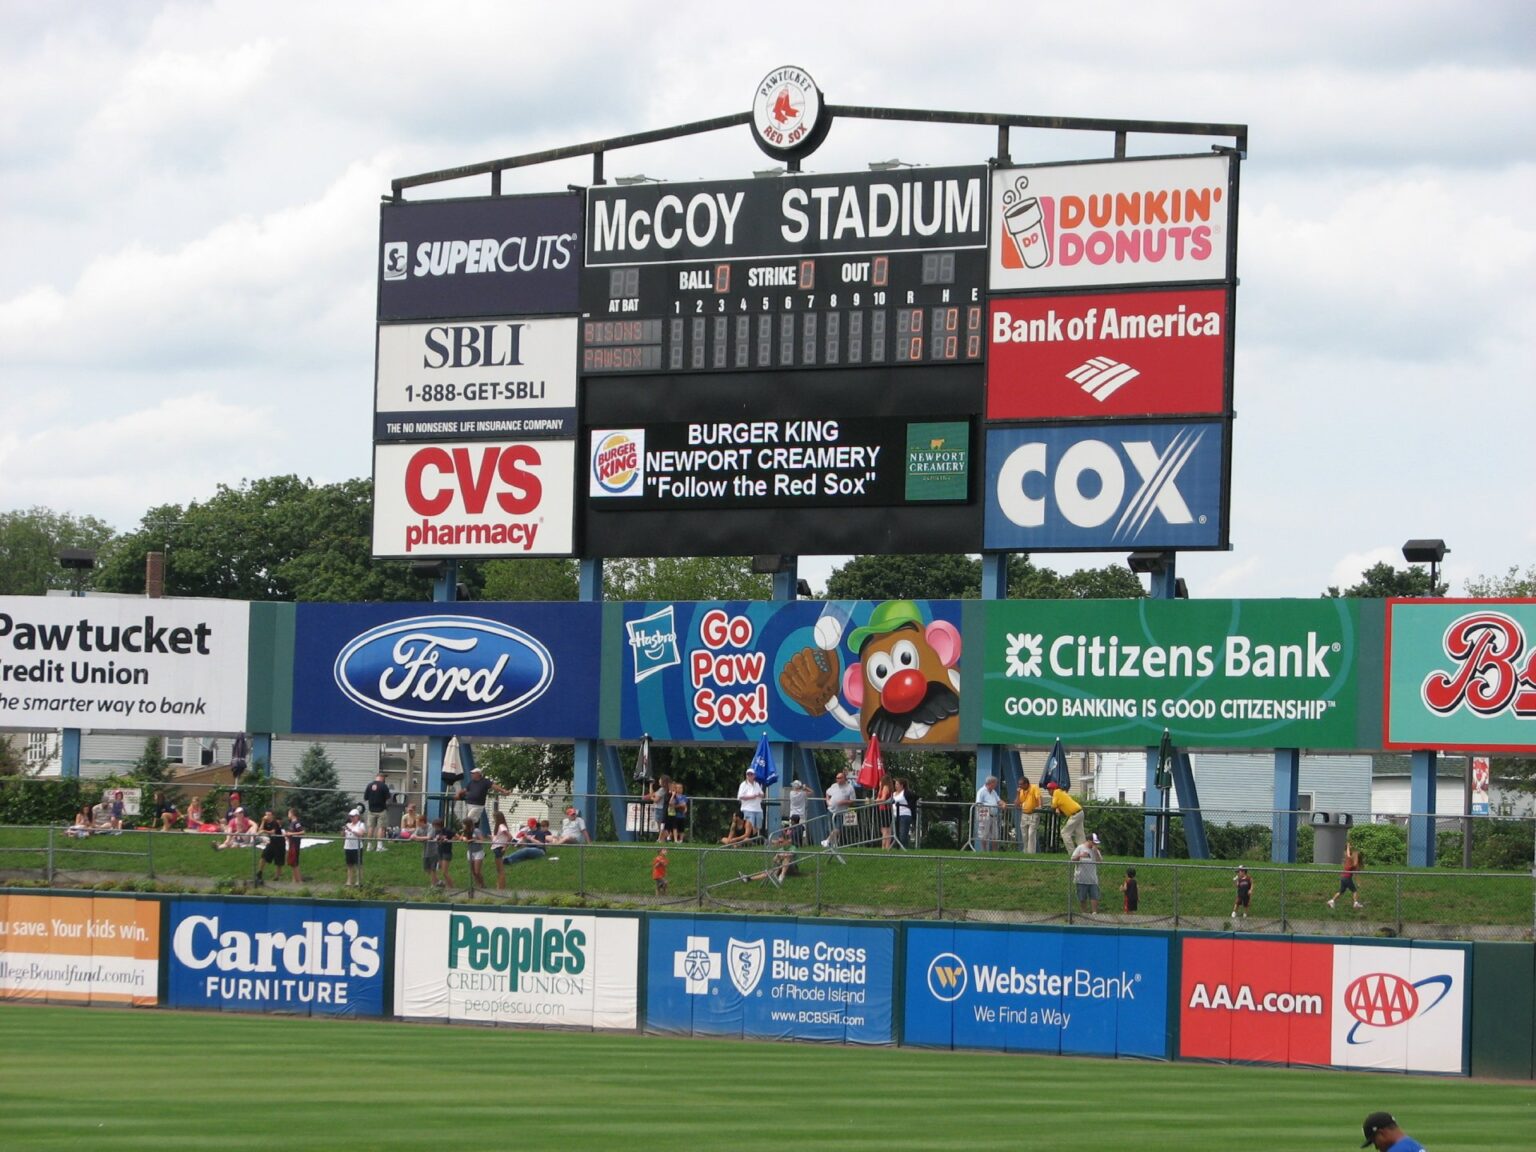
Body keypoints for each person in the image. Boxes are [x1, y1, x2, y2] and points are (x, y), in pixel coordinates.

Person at [456, 765, 507, 837]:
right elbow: (465, 790)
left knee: (469, 819)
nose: (472, 775)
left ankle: (463, 834)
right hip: (470, 804)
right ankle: (474, 834)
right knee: (474, 820)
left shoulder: (485, 782)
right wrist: (459, 793)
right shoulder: (471, 783)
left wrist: (503, 791)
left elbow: (494, 786)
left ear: (478, 774)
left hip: (478, 805)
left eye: (473, 773)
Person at [1048, 781, 1085, 853]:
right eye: (1048, 789)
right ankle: (1084, 853)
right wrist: (1057, 808)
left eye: (1050, 789)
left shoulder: (1056, 792)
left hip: (1075, 815)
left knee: (1064, 833)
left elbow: (1053, 806)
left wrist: (1056, 808)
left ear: (1054, 789)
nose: (1049, 791)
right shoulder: (1060, 793)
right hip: (1079, 812)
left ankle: (1072, 853)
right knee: (1079, 835)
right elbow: (1058, 804)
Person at [1360, 1112, 1425, 1152]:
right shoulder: (1412, 1145)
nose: (1377, 1148)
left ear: (1381, 1134)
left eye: (1375, 1142)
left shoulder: (1398, 1150)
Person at [824, 769, 855, 849]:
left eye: (840, 778)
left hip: (840, 812)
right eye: (837, 778)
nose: (838, 779)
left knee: (837, 829)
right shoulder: (834, 786)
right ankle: (833, 845)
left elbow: (852, 800)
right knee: (829, 829)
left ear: (844, 778)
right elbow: (827, 792)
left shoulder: (850, 788)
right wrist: (827, 801)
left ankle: (827, 841)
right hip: (831, 810)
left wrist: (844, 802)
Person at [1329, 840, 1365, 910]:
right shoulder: (1353, 864)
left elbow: (1348, 854)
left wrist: (1348, 846)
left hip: (1343, 877)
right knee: (1354, 891)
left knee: (1341, 891)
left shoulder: (1348, 859)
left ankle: (1332, 901)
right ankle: (1355, 903)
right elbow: (1356, 874)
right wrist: (1358, 883)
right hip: (1347, 878)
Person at [1071, 833, 1102, 914]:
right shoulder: (1080, 848)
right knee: (1082, 898)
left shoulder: (1096, 850)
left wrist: (1096, 852)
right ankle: (1084, 913)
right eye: (1094, 842)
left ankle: (1094, 912)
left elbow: (1099, 862)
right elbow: (1072, 859)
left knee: (1094, 896)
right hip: (1081, 878)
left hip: (1093, 879)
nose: (1095, 844)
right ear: (1089, 840)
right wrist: (1080, 856)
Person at [361, 771, 392, 851]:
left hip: (371, 810)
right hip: (381, 810)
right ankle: (379, 846)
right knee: (381, 828)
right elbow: (388, 797)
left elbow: (365, 798)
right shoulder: (384, 786)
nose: (385, 779)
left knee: (371, 827)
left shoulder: (369, 785)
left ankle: (369, 846)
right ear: (382, 778)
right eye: (384, 777)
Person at [255, 810, 284, 886]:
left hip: (279, 842)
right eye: (266, 815)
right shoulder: (265, 822)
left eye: (269, 815)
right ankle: (259, 872)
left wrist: (264, 831)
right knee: (264, 855)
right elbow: (260, 830)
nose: (267, 816)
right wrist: (263, 821)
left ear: (272, 816)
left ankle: (277, 877)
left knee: (278, 860)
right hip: (271, 842)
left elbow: (273, 832)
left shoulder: (275, 823)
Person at [973, 776, 1002, 851]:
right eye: (995, 783)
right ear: (991, 783)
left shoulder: (993, 792)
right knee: (984, 835)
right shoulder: (981, 791)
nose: (996, 785)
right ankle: (984, 851)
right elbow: (978, 803)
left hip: (994, 816)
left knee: (995, 835)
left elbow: (999, 801)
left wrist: (1003, 804)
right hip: (985, 815)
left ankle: (994, 853)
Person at [1016, 774, 1043, 853]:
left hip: (1033, 813)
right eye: (1019, 784)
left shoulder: (1034, 787)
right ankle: (1025, 851)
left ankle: (1031, 853)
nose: (1019, 786)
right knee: (1024, 834)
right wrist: (1017, 794)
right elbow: (1017, 804)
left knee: (1031, 833)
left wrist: (1040, 806)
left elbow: (1038, 797)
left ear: (1026, 784)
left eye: (1021, 784)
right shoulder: (1021, 791)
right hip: (1024, 814)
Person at [736, 767, 764, 839]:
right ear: (746, 775)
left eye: (751, 774)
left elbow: (762, 794)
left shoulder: (757, 784)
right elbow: (740, 796)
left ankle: (752, 839)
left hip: (757, 808)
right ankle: (747, 839)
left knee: (758, 826)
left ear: (754, 775)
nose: (749, 776)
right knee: (749, 826)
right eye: (748, 774)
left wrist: (760, 795)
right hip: (748, 809)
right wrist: (752, 796)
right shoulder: (743, 785)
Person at [343, 807, 366, 886]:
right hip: (348, 847)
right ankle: (349, 881)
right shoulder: (348, 824)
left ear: (357, 816)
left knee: (358, 865)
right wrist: (343, 831)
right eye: (350, 816)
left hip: (357, 847)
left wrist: (351, 830)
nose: (351, 818)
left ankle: (359, 881)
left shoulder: (361, 824)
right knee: (349, 865)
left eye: (353, 816)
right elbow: (343, 835)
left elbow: (361, 834)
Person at [491, 811, 513, 888]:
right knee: (498, 869)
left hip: (499, 848)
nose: (493, 819)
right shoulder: (499, 826)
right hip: (496, 847)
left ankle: (501, 887)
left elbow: (510, 837)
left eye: (494, 817)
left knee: (500, 870)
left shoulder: (501, 826)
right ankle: (499, 885)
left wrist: (505, 847)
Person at [890, 777, 914, 849]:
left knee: (902, 835)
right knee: (893, 834)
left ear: (902, 785)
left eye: (897, 784)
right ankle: (895, 849)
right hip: (895, 815)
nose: (895, 785)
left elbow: (894, 800)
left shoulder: (905, 794)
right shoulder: (894, 793)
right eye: (895, 784)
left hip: (904, 815)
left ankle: (904, 849)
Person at [462, 818, 486, 889]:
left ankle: (482, 884)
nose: (463, 826)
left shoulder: (476, 831)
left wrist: (474, 840)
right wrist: (464, 839)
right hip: (470, 851)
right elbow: (461, 837)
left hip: (478, 852)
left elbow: (482, 840)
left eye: (464, 824)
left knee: (477, 871)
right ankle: (477, 885)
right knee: (473, 871)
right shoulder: (465, 831)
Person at [649, 774, 672, 842]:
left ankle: (665, 837)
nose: (659, 780)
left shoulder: (662, 790)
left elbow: (656, 799)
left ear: (663, 782)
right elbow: (653, 794)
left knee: (660, 825)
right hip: (661, 808)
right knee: (661, 825)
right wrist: (651, 785)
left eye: (660, 779)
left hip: (660, 808)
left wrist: (651, 798)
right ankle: (665, 838)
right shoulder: (663, 789)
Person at [434, 818, 456, 888]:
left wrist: (448, 839)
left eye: (435, 826)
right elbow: (436, 839)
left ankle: (451, 886)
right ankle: (447, 885)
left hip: (446, 852)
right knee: (441, 870)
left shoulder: (447, 830)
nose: (434, 827)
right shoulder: (437, 831)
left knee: (444, 872)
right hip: (440, 851)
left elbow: (457, 837)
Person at [422, 817, 444, 887]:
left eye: (435, 826)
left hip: (434, 852)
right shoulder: (432, 829)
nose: (434, 827)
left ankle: (433, 884)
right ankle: (438, 882)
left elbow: (436, 838)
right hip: (427, 851)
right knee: (427, 869)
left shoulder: (441, 831)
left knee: (433, 869)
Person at [285, 807, 304, 882]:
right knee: (292, 863)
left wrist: (291, 833)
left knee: (295, 863)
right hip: (291, 844)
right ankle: (294, 880)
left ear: (292, 814)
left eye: (289, 813)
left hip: (295, 845)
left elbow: (302, 832)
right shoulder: (291, 823)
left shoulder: (296, 823)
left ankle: (300, 881)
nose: (288, 815)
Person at [874, 778, 894, 850]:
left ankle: (883, 847)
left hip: (884, 809)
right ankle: (887, 847)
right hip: (886, 809)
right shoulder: (886, 788)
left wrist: (874, 800)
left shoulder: (885, 787)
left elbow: (883, 799)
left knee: (885, 830)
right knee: (887, 829)